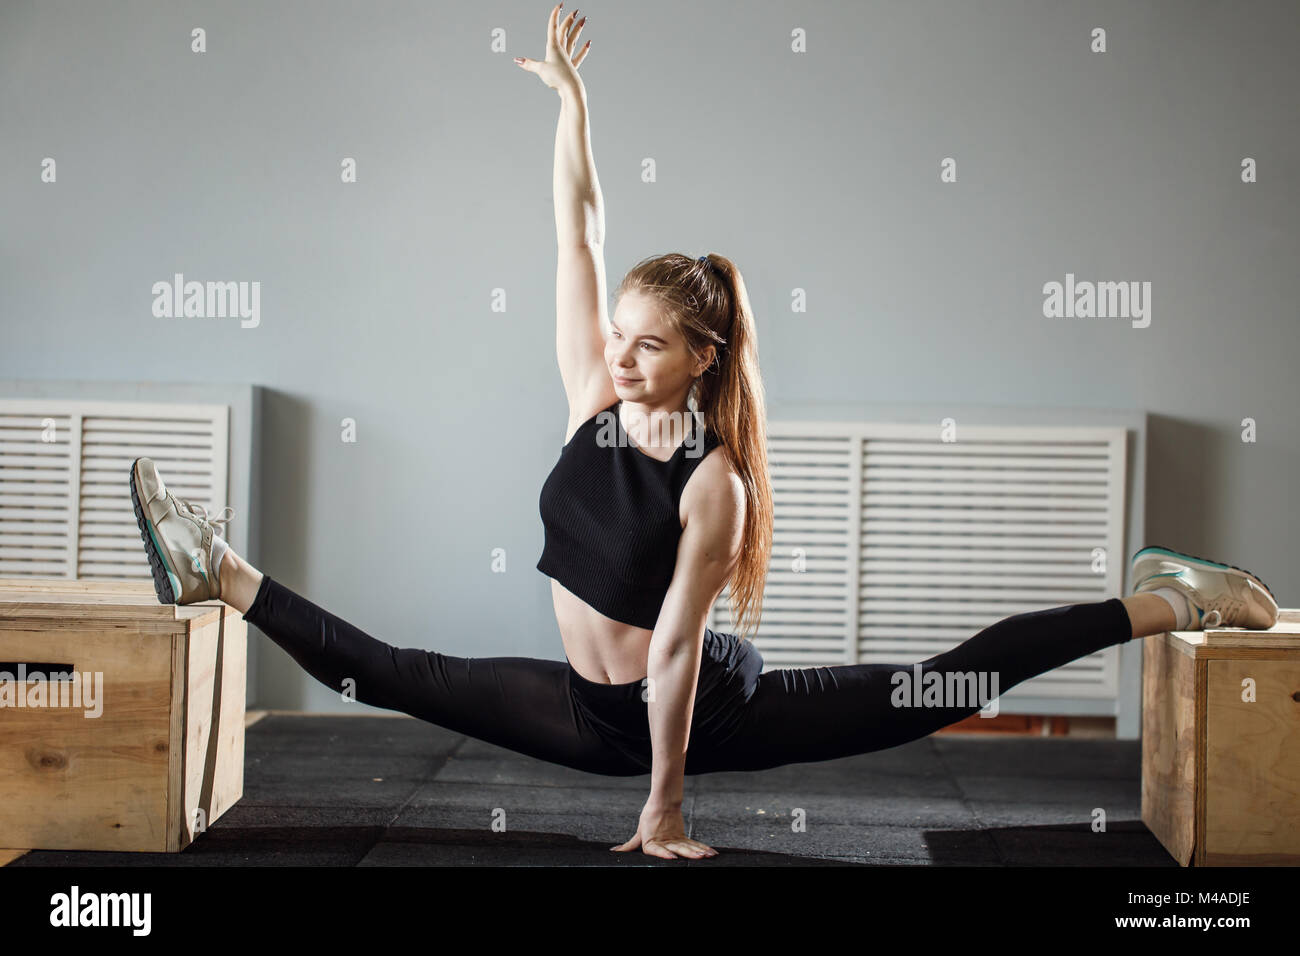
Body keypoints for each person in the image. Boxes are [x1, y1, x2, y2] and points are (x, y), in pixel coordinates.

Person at [126, 4, 1280, 861]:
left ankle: (1169, 599)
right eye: (619, 337)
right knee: (390, 674)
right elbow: (577, 233)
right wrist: (575, 110)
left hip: (695, 706)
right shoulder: (592, 398)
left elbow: (673, 655)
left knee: (945, 684)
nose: (619, 357)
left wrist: (665, 800)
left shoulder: (712, 480)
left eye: (647, 346)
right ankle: (216, 567)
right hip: (586, 709)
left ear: (700, 358)